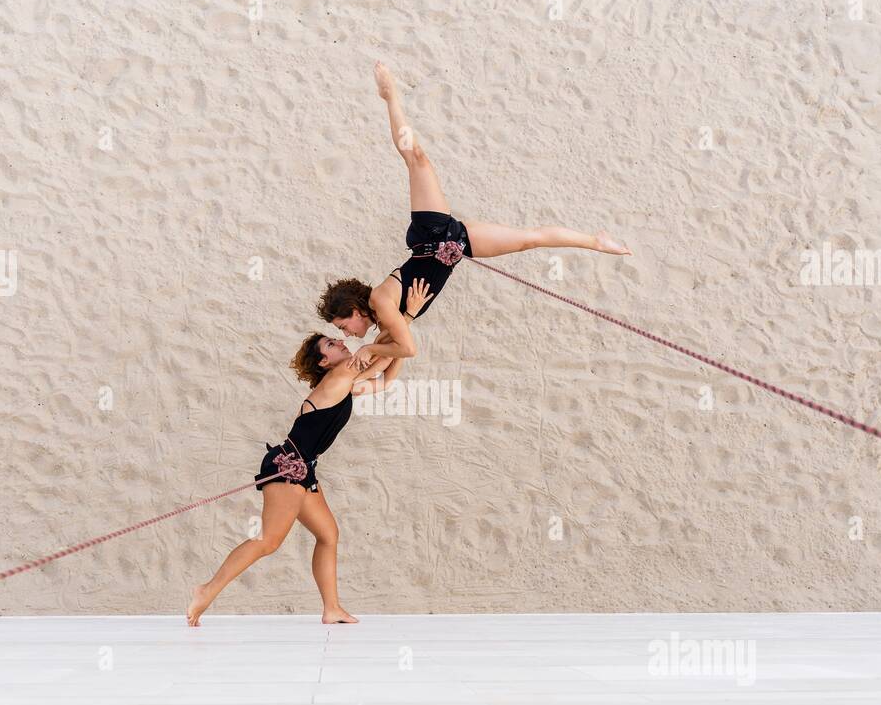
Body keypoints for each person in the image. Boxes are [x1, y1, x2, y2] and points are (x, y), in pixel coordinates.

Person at [317, 61, 631, 371]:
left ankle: (390, 96)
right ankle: (596, 241)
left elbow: (405, 349)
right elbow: (393, 355)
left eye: (343, 326)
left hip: (432, 234)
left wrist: (371, 347)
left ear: (355, 310)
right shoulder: (385, 322)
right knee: (528, 240)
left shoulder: (382, 304)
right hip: (458, 245)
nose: (346, 334)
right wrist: (370, 364)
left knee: (416, 158)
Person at [186, 286, 431, 625]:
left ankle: (331, 608)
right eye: (333, 344)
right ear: (324, 361)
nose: (342, 342)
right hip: (287, 468)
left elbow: (386, 375)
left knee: (328, 535)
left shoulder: (347, 383)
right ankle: (206, 591)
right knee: (268, 541)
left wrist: (402, 325)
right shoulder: (337, 377)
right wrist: (407, 316)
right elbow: (383, 355)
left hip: (304, 471)